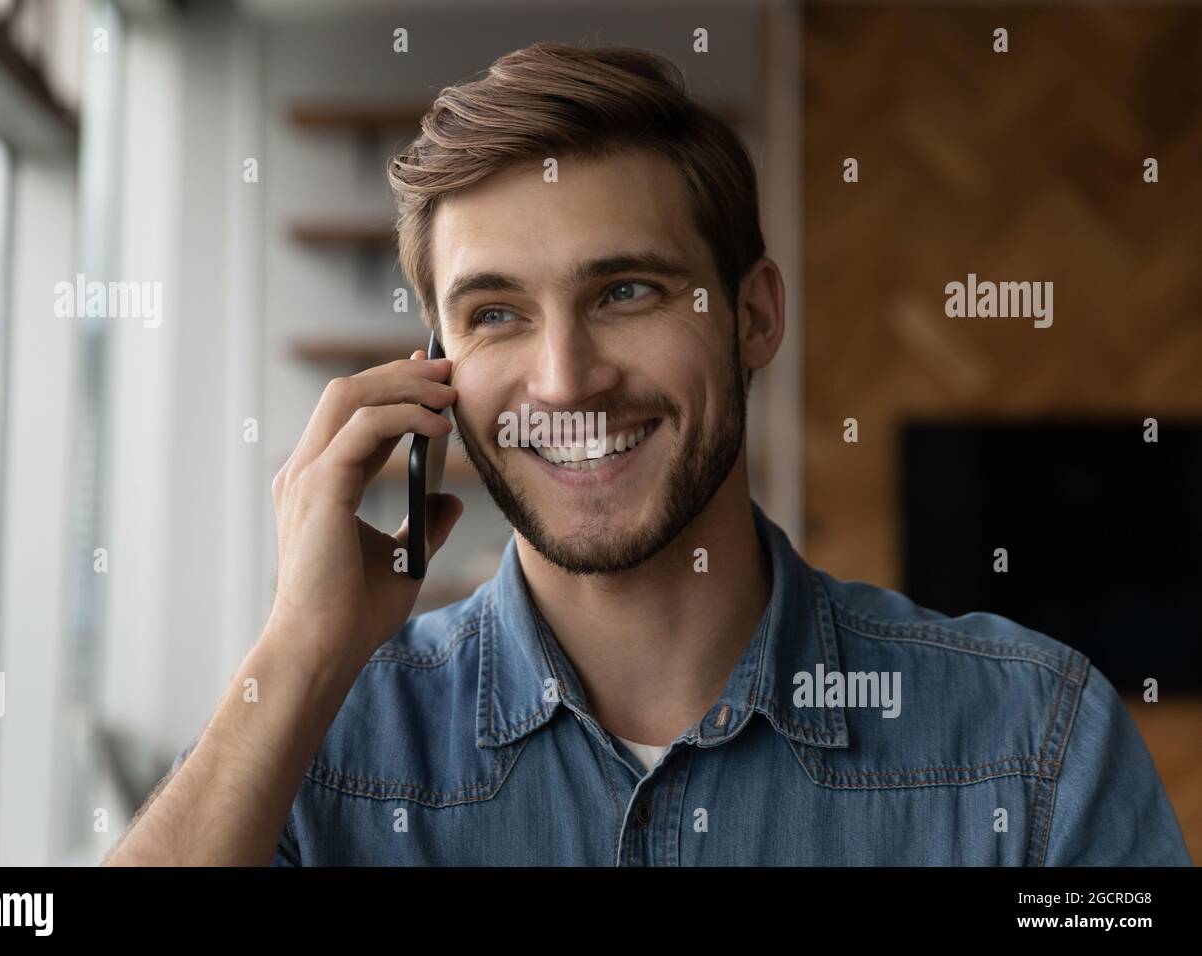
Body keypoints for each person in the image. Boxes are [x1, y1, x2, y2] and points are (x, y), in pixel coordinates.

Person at [104, 42, 1190, 866]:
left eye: (625, 290)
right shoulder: (321, 746)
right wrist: (296, 651)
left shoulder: (1035, 744)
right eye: (494, 314)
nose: (566, 377)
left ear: (753, 314)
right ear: (433, 370)